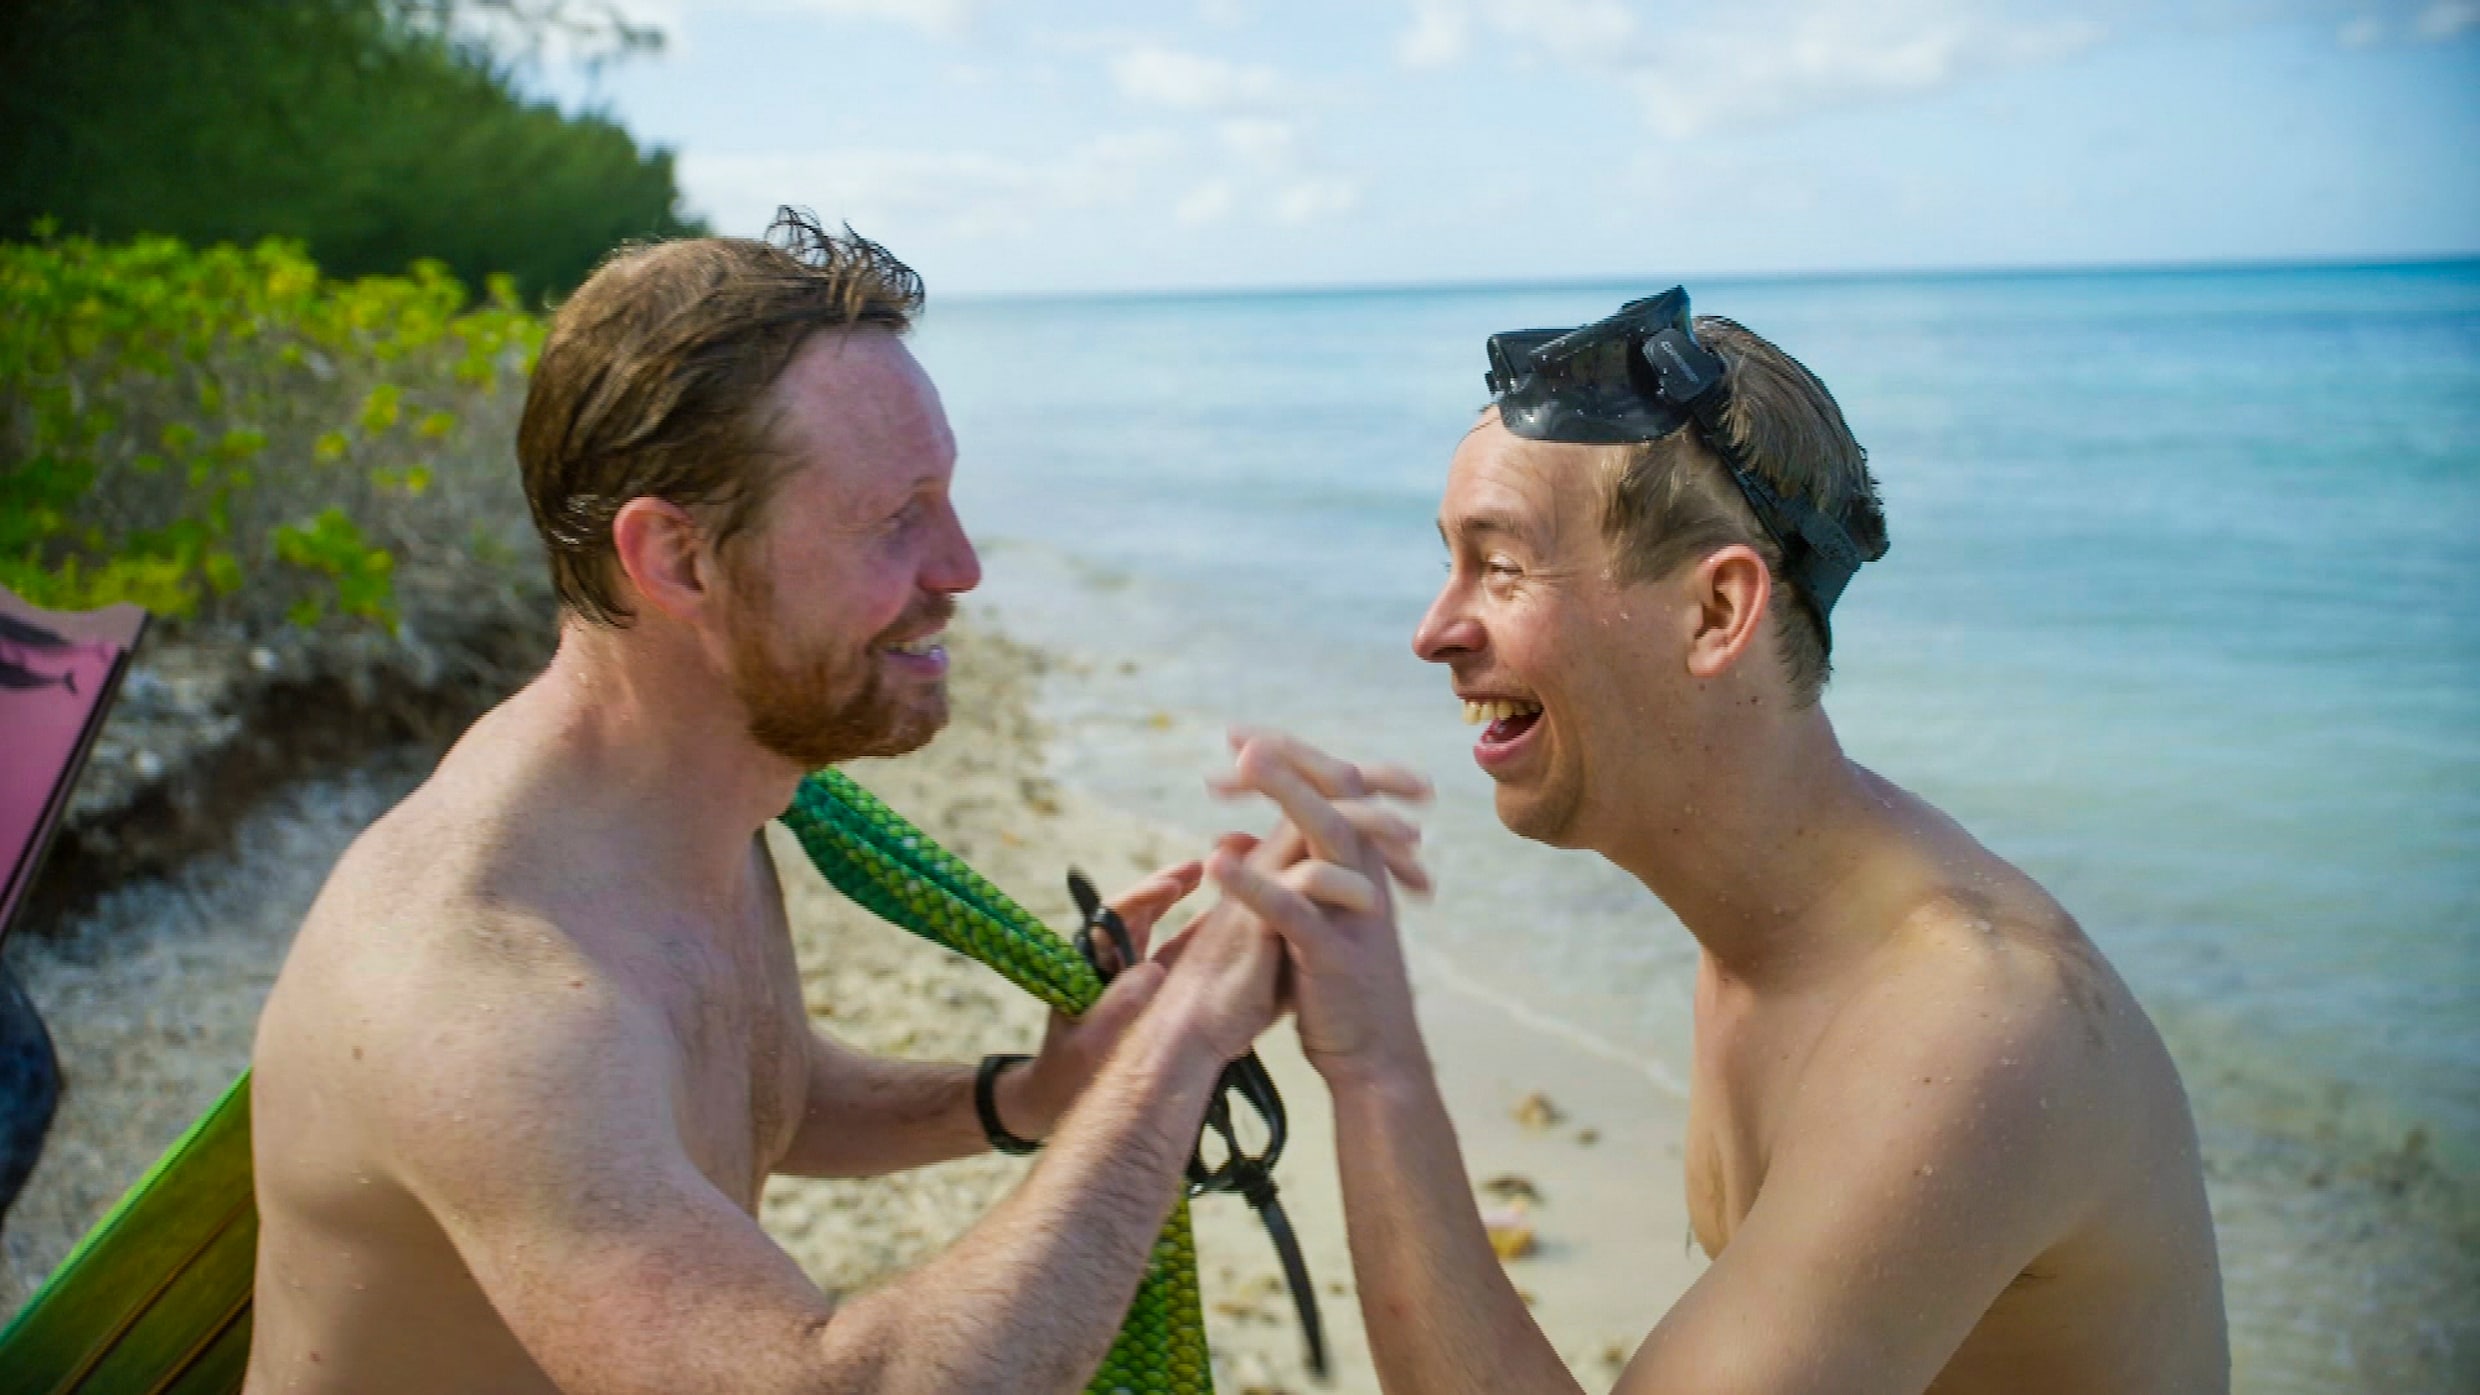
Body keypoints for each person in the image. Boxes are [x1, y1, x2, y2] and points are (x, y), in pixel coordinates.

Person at [242, 212, 1400, 1394]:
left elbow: (745, 1090)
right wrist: (1176, 1044)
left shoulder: (694, 808)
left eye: (946, 498)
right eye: (896, 519)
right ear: (679, 563)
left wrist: (1030, 1095)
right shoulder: (488, 994)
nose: (961, 568)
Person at [1208, 291, 2230, 1393]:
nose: (1433, 631)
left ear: (1714, 612)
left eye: (1499, 567)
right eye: (1451, 563)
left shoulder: (1971, 1025)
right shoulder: (1767, 923)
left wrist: (1375, 1066)